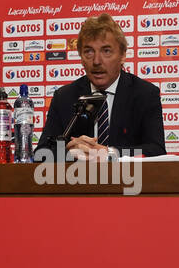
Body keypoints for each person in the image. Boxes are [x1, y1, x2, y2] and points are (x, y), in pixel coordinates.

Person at [35, 14, 166, 159]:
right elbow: (40, 154)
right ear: (81, 58)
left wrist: (110, 153)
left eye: (106, 51)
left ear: (123, 55)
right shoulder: (64, 96)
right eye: (89, 52)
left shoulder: (145, 94)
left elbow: (156, 150)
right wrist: (68, 153)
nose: (97, 61)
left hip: (129, 180)